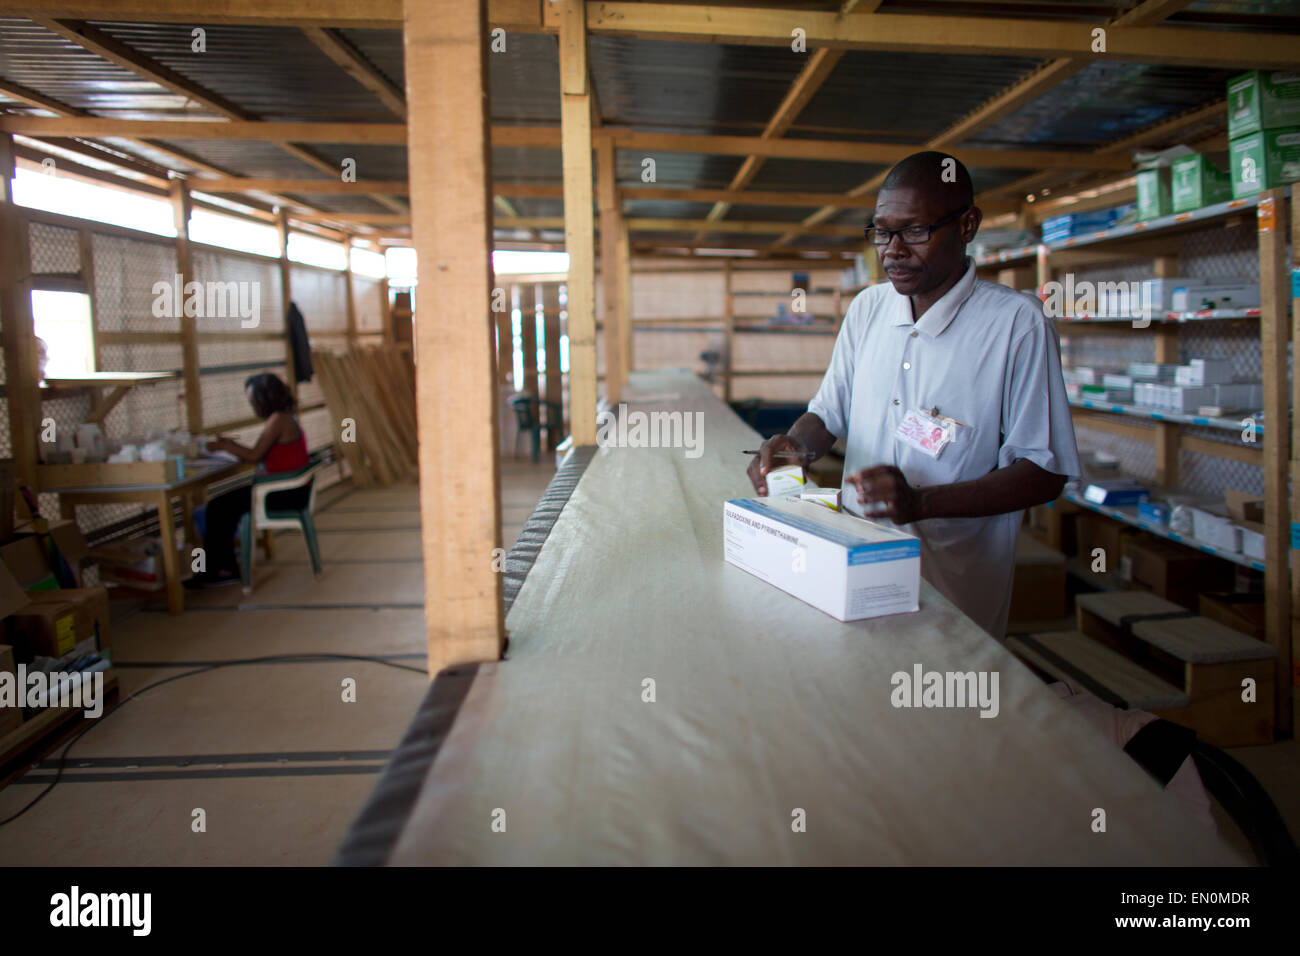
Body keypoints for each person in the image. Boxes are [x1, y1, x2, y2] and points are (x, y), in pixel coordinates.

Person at [748, 151, 1080, 639]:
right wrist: (793, 448)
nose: (893, 249)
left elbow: (1044, 472)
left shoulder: (1015, 324)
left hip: (954, 590)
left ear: (968, 225)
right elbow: (826, 414)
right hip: (853, 565)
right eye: (882, 231)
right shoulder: (868, 309)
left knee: (943, 705)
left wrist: (921, 503)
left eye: (915, 231)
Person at [185, 372, 310, 588]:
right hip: (286, 490)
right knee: (223, 504)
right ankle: (221, 565)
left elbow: (254, 456)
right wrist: (229, 447)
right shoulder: (285, 417)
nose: (253, 406)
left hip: (281, 494)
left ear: (264, 398)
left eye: (253, 401)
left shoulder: (278, 420)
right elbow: (259, 453)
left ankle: (221, 569)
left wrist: (225, 446)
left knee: (217, 506)